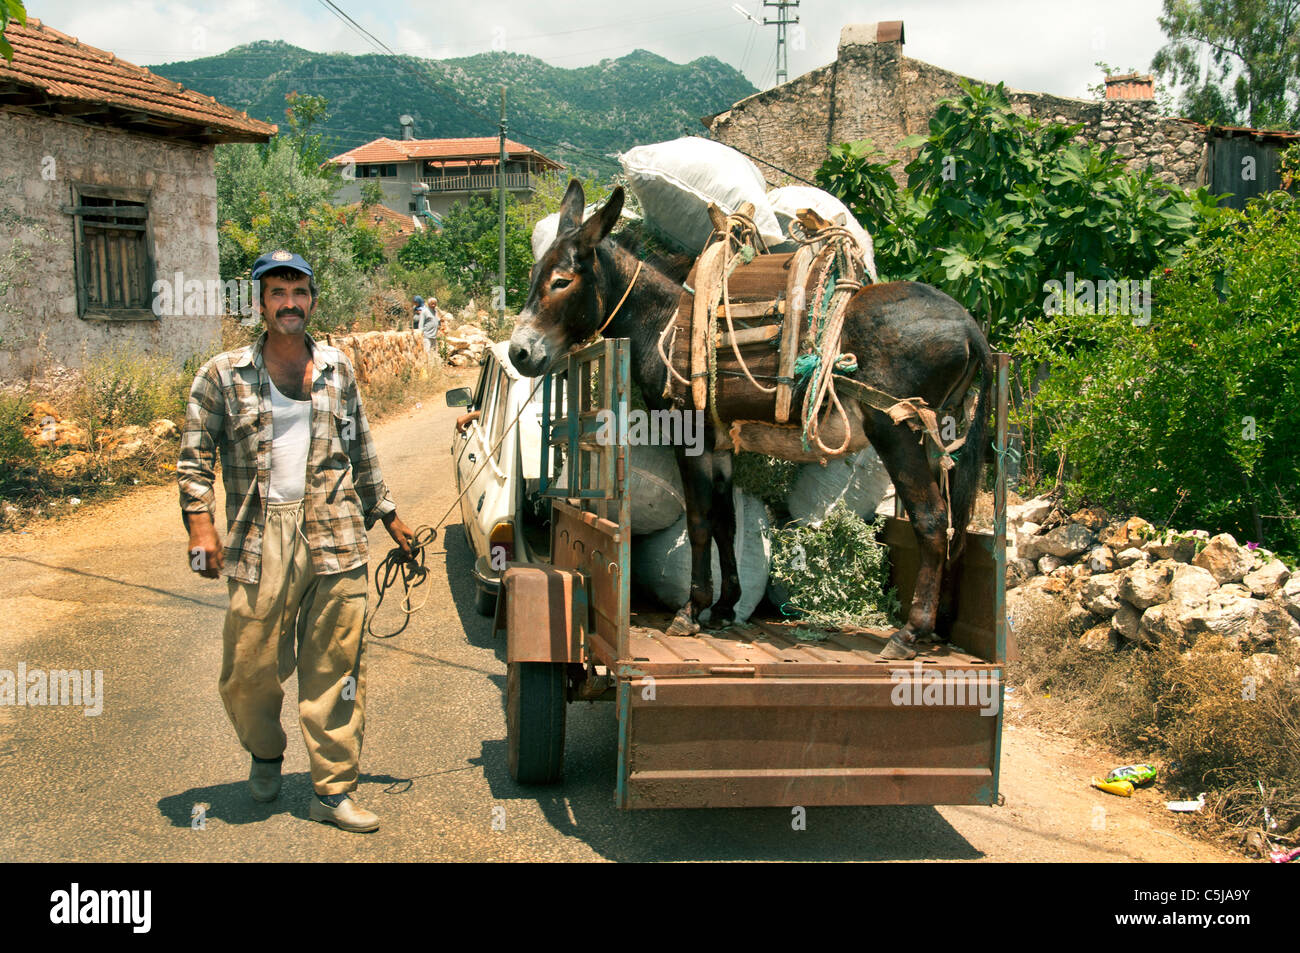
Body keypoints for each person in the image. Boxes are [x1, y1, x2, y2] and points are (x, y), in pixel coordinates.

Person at [178, 249, 416, 833]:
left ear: (312, 298)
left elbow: (360, 447)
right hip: (259, 535)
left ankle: (333, 791)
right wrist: (200, 525)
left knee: (337, 668)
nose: (290, 303)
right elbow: (193, 457)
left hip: (336, 531)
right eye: (278, 292)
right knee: (247, 668)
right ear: (259, 303)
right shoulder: (222, 372)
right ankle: (265, 753)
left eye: (300, 291)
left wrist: (388, 514)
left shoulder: (338, 367)